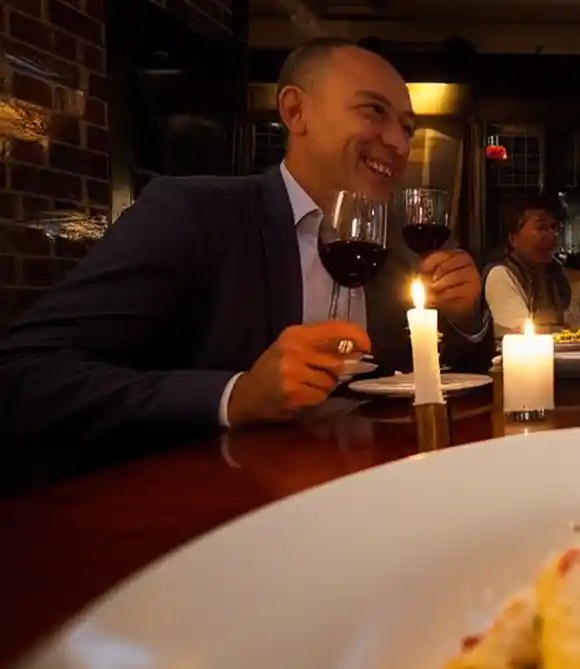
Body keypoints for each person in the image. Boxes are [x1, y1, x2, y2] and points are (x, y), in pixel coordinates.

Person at [0, 38, 492, 450]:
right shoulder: (192, 214)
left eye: (406, 127)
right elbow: (22, 375)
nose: (400, 144)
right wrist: (234, 395)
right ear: (296, 112)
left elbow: (443, 381)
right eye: (374, 112)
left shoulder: (397, 251)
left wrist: (465, 317)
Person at [483, 195, 574, 337]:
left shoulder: (556, 275)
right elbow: (524, 338)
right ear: (513, 239)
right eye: (541, 227)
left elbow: (577, 324)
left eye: (554, 227)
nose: (552, 235)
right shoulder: (500, 275)